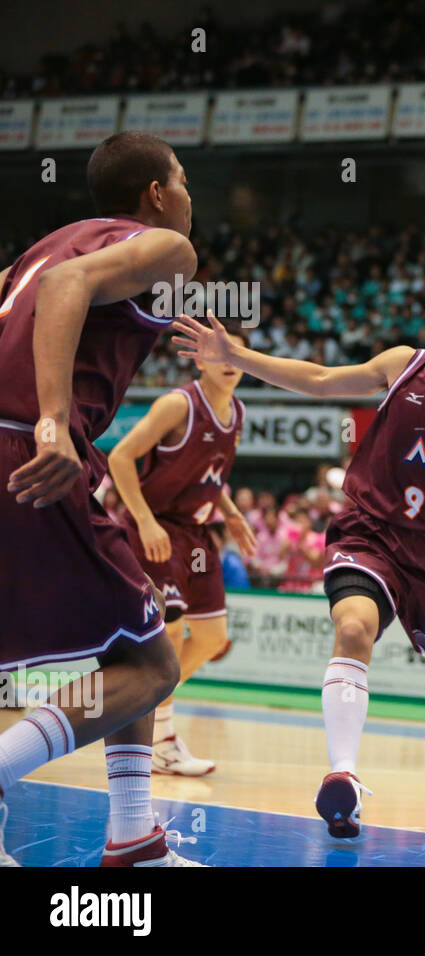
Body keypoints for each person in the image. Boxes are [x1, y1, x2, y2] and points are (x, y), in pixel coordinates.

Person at [172, 265, 425, 839]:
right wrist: (237, 356)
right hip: (371, 533)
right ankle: (343, 774)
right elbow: (317, 379)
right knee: (354, 629)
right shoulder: (404, 363)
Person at [0, 131, 202, 866]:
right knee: (152, 669)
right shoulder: (169, 249)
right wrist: (51, 418)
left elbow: (35, 291)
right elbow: (67, 289)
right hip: (33, 447)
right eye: (183, 181)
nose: (189, 196)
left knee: (128, 641)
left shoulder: (46, 244)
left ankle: (135, 836)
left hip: (18, 439)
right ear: (157, 194)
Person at [107, 327, 257, 775]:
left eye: (238, 352)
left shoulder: (237, 412)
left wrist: (229, 511)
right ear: (200, 361)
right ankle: (163, 739)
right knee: (170, 635)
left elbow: (209, 477)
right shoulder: (178, 404)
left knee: (212, 638)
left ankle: (144, 706)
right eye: (220, 352)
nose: (230, 360)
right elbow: (120, 458)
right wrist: (145, 520)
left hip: (197, 534)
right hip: (155, 526)